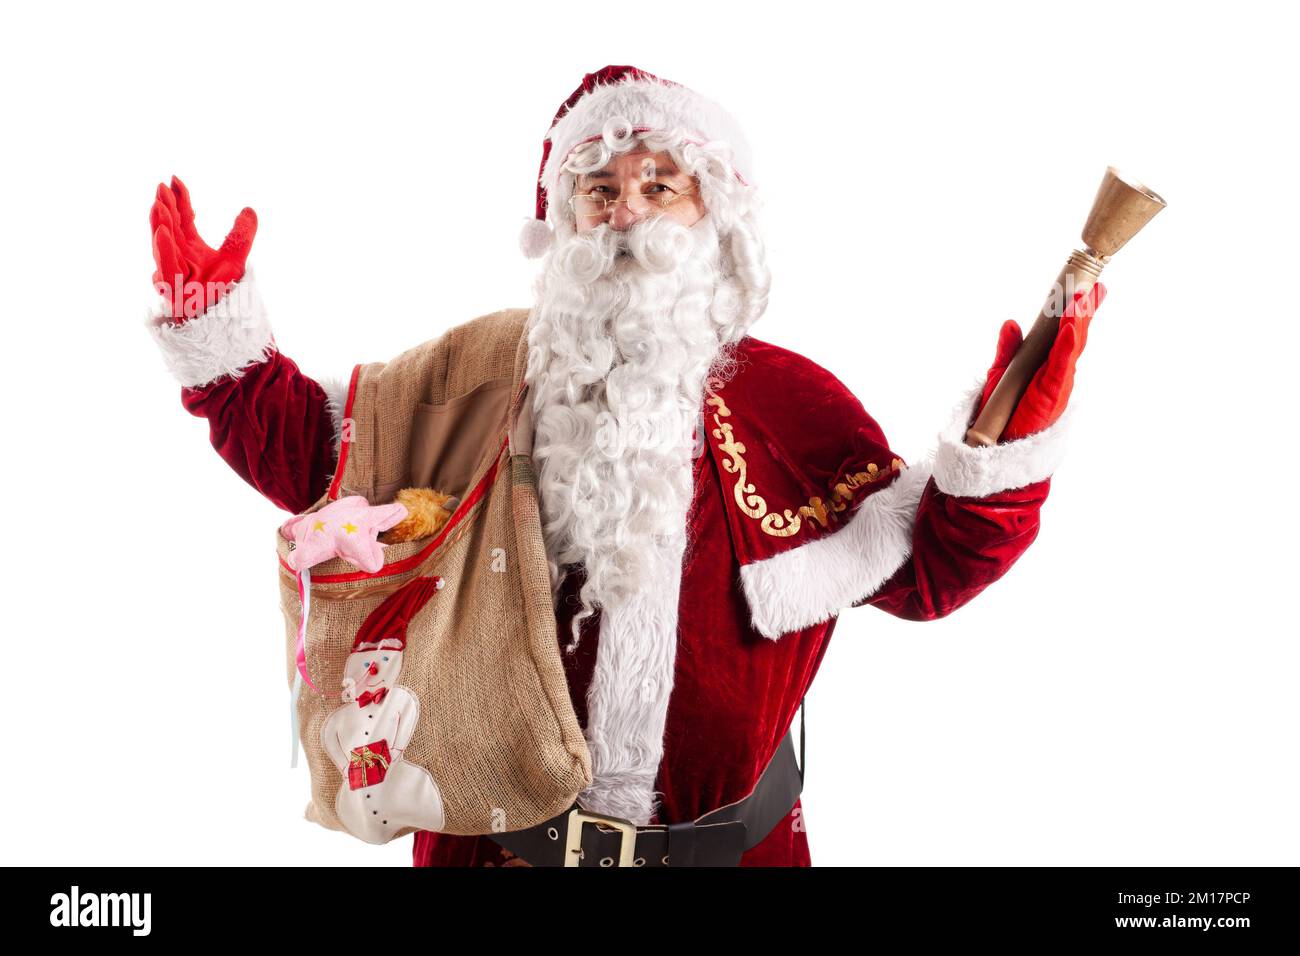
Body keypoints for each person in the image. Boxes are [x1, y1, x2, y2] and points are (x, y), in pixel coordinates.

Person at [143, 65, 1104, 867]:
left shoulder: (791, 406)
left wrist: (1007, 448)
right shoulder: (473, 377)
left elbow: (932, 567)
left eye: (659, 186)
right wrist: (215, 332)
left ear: (711, 215)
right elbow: (319, 455)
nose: (626, 218)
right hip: (493, 851)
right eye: (598, 191)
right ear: (563, 223)